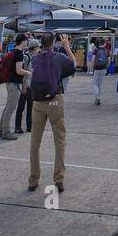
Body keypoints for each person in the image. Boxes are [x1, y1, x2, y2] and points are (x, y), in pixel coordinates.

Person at [27, 33, 76, 193]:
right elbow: (73, 64)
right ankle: (59, 178)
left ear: (41, 43)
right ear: (54, 42)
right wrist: (67, 46)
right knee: (59, 140)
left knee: (35, 141)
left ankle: (34, 179)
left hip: (37, 102)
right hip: (55, 100)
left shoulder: (35, 58)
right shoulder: (58, 57)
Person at [0, 43, 23, 140]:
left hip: (9, 82)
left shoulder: (11, 52)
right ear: (23, 42)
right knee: (10, 108)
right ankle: (6, 132)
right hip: (14, 84)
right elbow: (19, 71)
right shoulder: (19, 54)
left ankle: (1, 130)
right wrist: (28, 72)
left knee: (8, 107)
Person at [15, 39, 37, 133]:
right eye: (38, 47)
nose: (39, 49)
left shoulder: (34, 57)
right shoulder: (26, 57)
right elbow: (22, 72)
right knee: (21, 107)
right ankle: (18, 127)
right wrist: (23, 86)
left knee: (31, 107)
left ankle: (29, 126)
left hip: (31, 85)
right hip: (25, 85)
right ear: (34, 47)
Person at [89, 38, 110, 105]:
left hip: (97, 69)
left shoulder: (96, 50)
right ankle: (98, 98)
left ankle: (97, 96)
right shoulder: (107, 50)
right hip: (104, 68)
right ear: (104, 43)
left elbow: (93, 60)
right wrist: (107, 68)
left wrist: (92, 69)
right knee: (100, 84)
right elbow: (109, 60)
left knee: (95, 84)